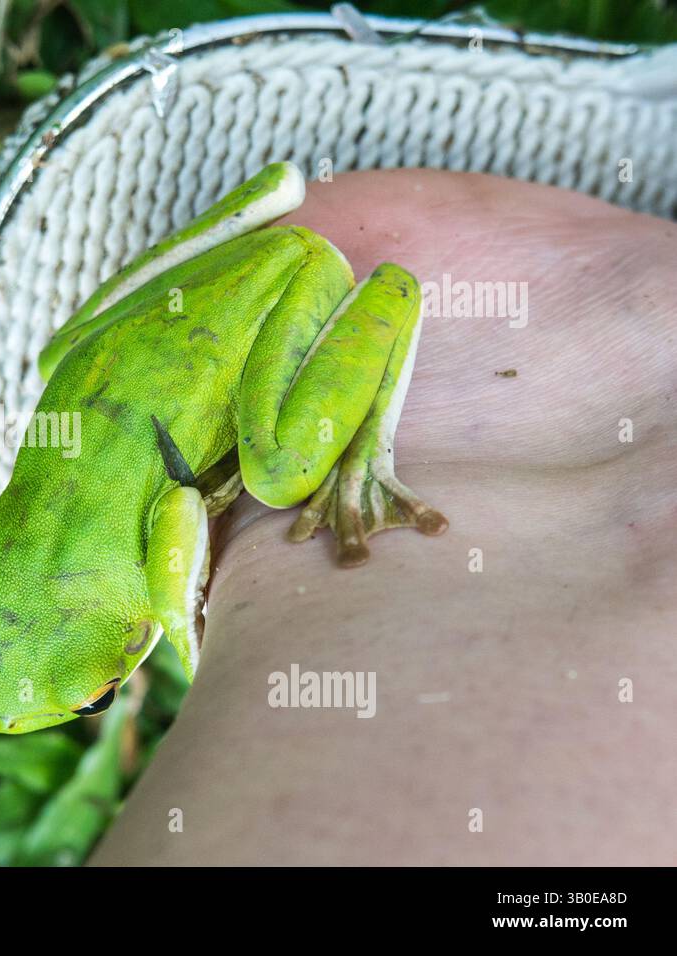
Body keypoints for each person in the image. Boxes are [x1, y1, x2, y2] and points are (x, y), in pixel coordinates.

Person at [90, 169, 677, 865]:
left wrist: (190, 645)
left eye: (97, 694)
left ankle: (343, 527)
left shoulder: (146, 573)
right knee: (67, 369)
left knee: (279, 480)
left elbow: (182, 507)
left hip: (294, 288)